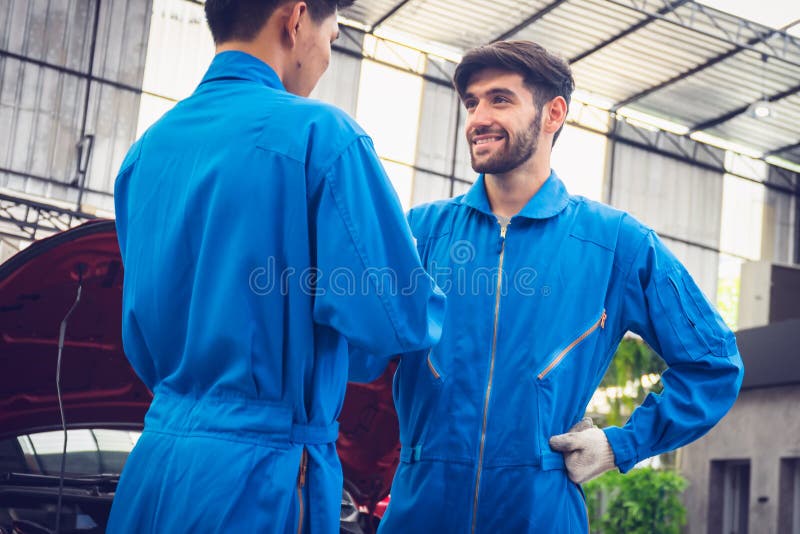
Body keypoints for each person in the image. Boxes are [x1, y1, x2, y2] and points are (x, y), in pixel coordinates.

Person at [367, 41, 743, 533]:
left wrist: (620, 444)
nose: (478, 116)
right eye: (472, 102)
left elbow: (714, 365)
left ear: (553, 113)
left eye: (499, 99)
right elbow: (355, 355)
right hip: (420, 514)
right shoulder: (419, 233)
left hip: (541, 515)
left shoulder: (615, 244)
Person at [107, 1, 445, 532]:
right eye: (332, 38)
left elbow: (143, 331)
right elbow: (396, 317)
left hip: (154, 467)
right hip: (260, 480)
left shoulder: (146, 151)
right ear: (295, 19)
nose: (328, 57)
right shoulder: (321, 136)